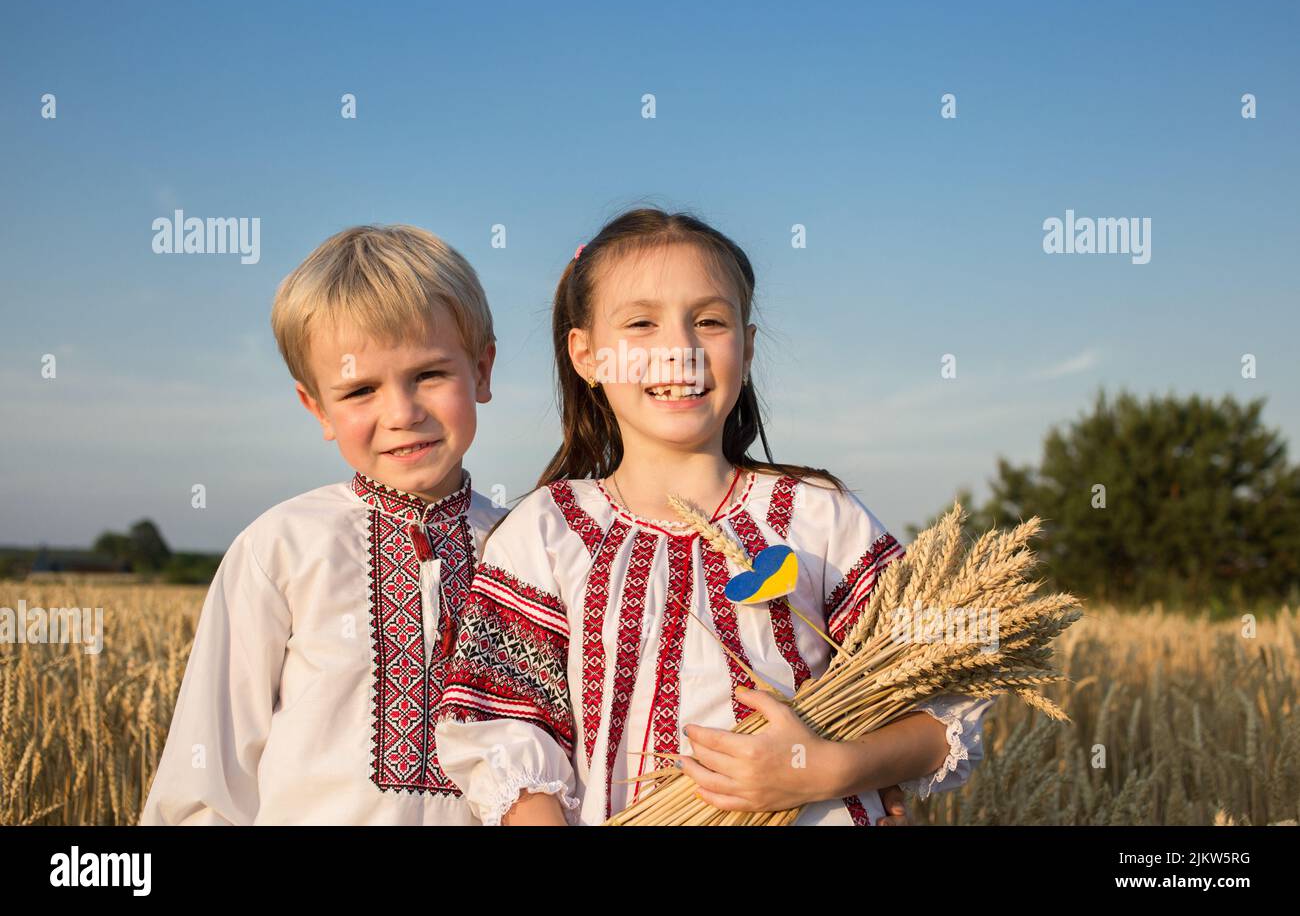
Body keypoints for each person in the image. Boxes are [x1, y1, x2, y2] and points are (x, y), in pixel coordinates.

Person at [434, 208, 994, 826]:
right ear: (586, 355)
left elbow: (943, 705)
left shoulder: (819, 517)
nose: (679, 349)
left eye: (709, 320)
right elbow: (503, 726)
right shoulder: (546, 531)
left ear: (747, 348)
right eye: (641, 323)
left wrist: (831, 769)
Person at [141, 225, 502, 824]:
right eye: (360, 389)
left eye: (430, 375)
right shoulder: (281, 548)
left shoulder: (526, 549)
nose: (402, 413)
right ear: (318, 409)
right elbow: (207, 775)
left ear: (482, 371)